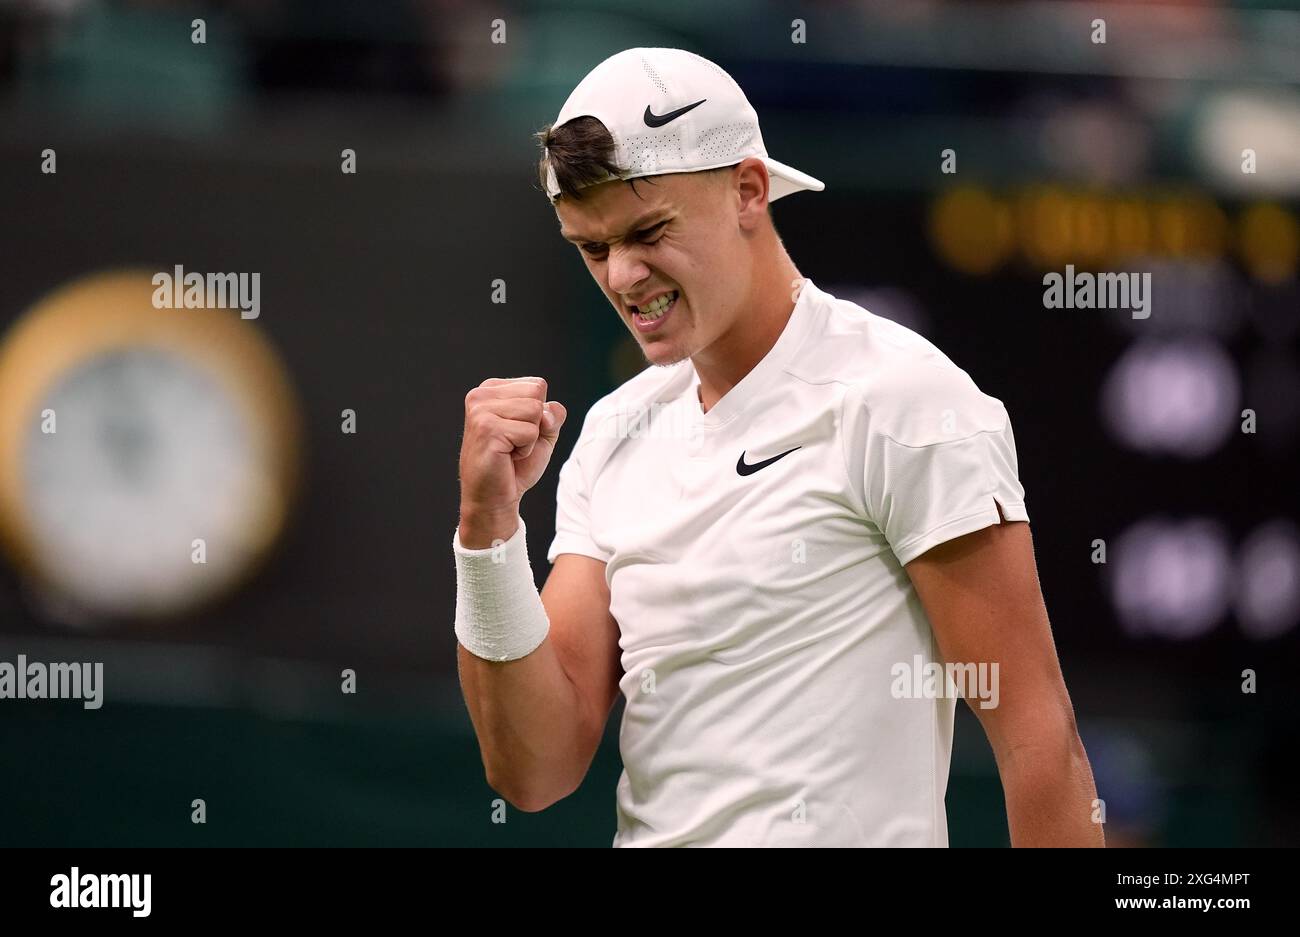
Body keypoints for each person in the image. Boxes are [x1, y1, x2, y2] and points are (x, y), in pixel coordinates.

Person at [454, 47, 1103, 847]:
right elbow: (534, 770)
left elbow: (1039, 743)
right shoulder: (615, 429)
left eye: (649, 230)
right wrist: (488, 533)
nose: (623, 275)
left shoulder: (902, 398)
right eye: (591, 248)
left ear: (749, 190)